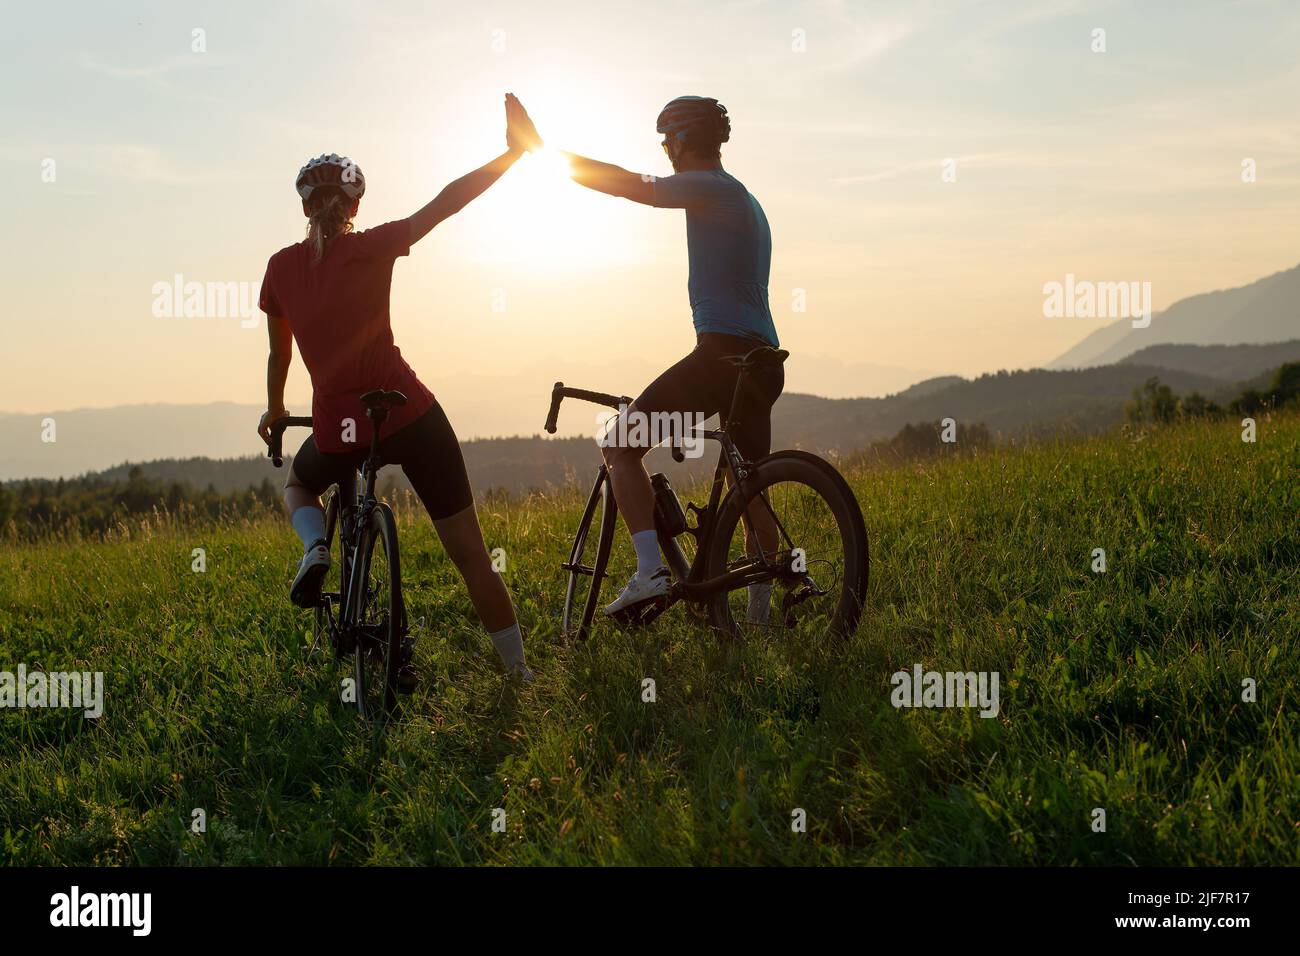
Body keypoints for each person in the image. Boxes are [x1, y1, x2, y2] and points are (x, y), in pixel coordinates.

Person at [255, 94, 544, 680]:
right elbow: (444, 205)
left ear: (305, 207)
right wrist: (512, 156)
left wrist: (276, 409)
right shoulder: (371, 246)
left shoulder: (281, 268)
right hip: (408, 413)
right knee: (471, 557)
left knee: (299, 484)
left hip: (338, 428)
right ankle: (520, 674)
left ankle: (315, 548)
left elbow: (278, 352)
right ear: (354, 204)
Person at [517, 95, 784, 620]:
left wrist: (545, 152)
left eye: (667, 140)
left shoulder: (707, 187)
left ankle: (649, 573)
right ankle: (759, 617)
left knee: (619, 445)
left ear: (682, 140)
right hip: (763, 361)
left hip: (721, 357)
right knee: (747, 486)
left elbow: (629, 185)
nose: (664, 150)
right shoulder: (744, 197)